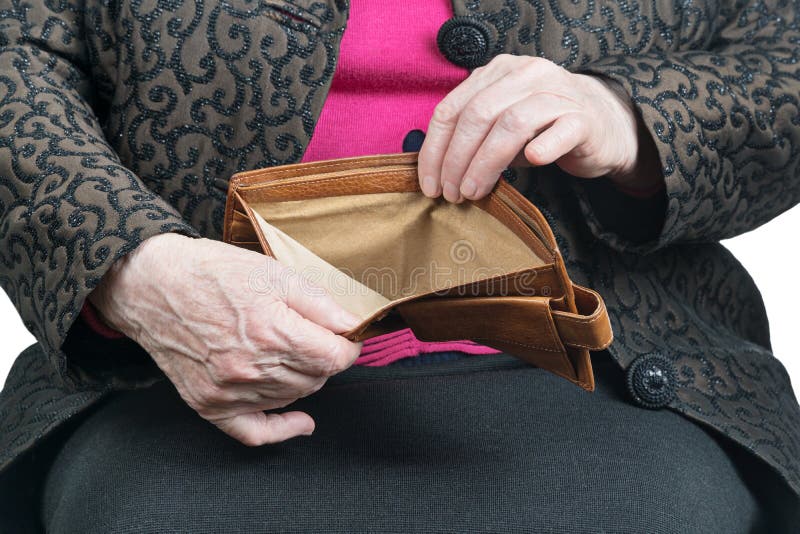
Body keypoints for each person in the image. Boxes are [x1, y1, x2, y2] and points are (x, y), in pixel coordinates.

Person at [0, 0, 799, 531]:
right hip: (179, 369)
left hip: (620, 369)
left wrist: (628, 114)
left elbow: (784, 54)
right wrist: (135, 272)